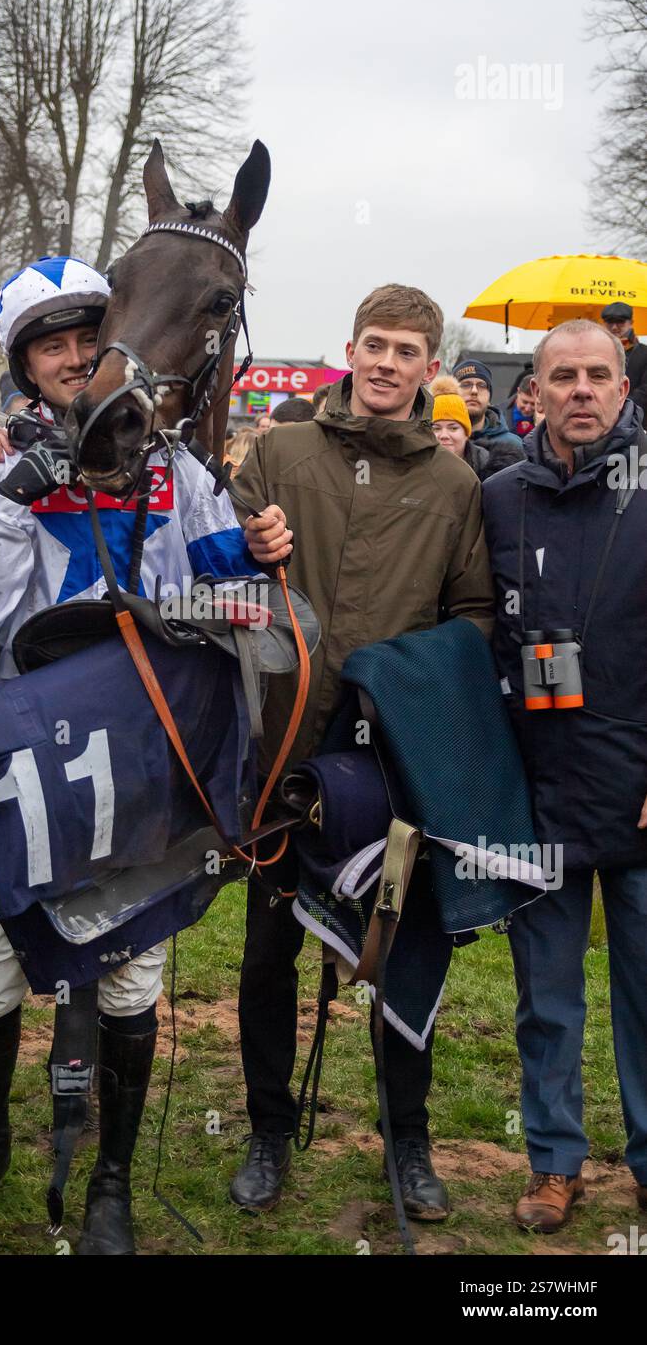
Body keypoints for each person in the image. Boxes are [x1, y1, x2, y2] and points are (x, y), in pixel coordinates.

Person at [0, 256, 263, 1255]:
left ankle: (114, 1179)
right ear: (24, 363)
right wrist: (14, 504)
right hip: (25, 762)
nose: (75, 360)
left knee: (128, 978)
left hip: (138, 762)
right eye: (52, 345)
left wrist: (261, 553)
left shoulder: (181, 469)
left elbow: (234, 609)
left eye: (88, 337)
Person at [228, 284, 495, 1219]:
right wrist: (247, 545)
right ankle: (267, 1131)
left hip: (391, 763)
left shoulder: (456, 486)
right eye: (374, 345)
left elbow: (472, 619)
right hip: (281, 749)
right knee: (268, 955)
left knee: (400, 953)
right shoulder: (280, 449)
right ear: (350, 350)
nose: (387, 363)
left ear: (431, 368)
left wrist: (405, 682)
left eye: (407, 351)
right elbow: (215, 564)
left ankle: (409, 1143)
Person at [482, 318, 647, 1232]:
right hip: (536, 792)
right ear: (533, 392)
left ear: (624, 390)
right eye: (563, 377)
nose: (581, 390)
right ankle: (554, 1163)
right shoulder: (499, 497)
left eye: (598, 375)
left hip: (638, 783)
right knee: (545, 998)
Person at [430, 377, 522, 481]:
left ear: (466, 433)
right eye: (436, 429)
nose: (444, 435)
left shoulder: (490, 469)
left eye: (453, 428)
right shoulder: (414, 469)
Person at [453, 358, 523, 457]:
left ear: (489, 395)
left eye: (481, 385)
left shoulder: (512, 446)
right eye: (465, 385)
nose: (474, 391)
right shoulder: (440, 440)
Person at [600, 301, 647, 413]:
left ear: (631, 323)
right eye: (610, 322)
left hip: (636, 419)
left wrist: (620, 407)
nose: (614, 327)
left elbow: (645, 390)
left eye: (620, 322)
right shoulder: (594, 351)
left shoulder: (644, 352)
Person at [504, 373, 537, 438]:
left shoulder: (549, 419)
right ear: (518, 392)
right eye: (524, 402)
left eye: (533, 404)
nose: (527, 409)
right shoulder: (496, 414)